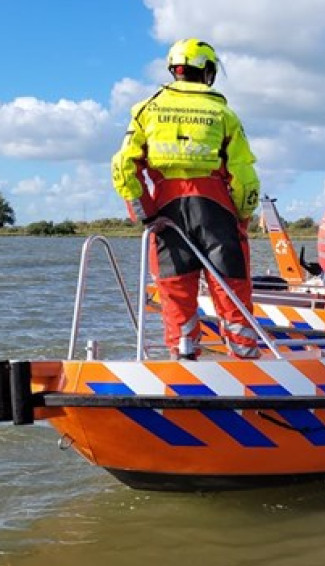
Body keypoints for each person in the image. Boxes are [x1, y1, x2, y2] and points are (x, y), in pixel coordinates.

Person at [111, 38, 261, 360]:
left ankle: (183, 358)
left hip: (166, 210)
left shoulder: (146, 111)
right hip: (216, 207)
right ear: (208, 72)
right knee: (231, 288)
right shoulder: (223, 114)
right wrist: (242, 216)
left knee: (175, 289)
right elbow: (245, 177)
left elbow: (124, 166)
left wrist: (147, 215)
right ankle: (246, 358)